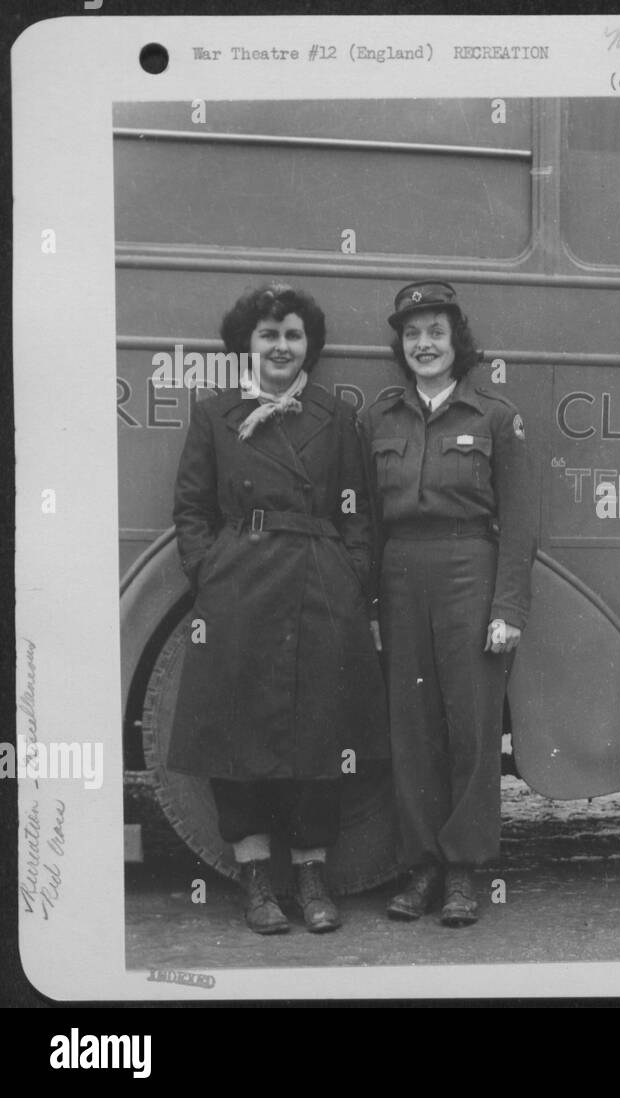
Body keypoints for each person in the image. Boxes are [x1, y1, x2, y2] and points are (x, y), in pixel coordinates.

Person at [169, 281, 388, 935]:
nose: (282, 346)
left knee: (320, 733)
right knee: (238, 732)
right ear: (246, 345)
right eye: (269, 335)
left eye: (293, 335)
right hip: (240, 585)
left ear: (309, 347)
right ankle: (258, 878)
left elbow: (356, 509)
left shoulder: (336, 416)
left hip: (319, 586)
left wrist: (349, 577)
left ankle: (313, 874)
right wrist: (212, 571)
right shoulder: (215, 415)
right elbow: (190, 510)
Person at [364, 280, 536, 928]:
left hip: (471, 567)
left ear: (455, 340)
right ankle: (421, 868)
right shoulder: (379, 418)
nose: (424, 344)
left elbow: (521, 521)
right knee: (411, 729)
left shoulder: (493, 416)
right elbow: (372, 521)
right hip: (402, 569)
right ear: (400, 345)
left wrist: (508, 607)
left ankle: (463, 871)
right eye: (412, 334)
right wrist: (374, 604)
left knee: (470, 725)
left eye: (435, 332)